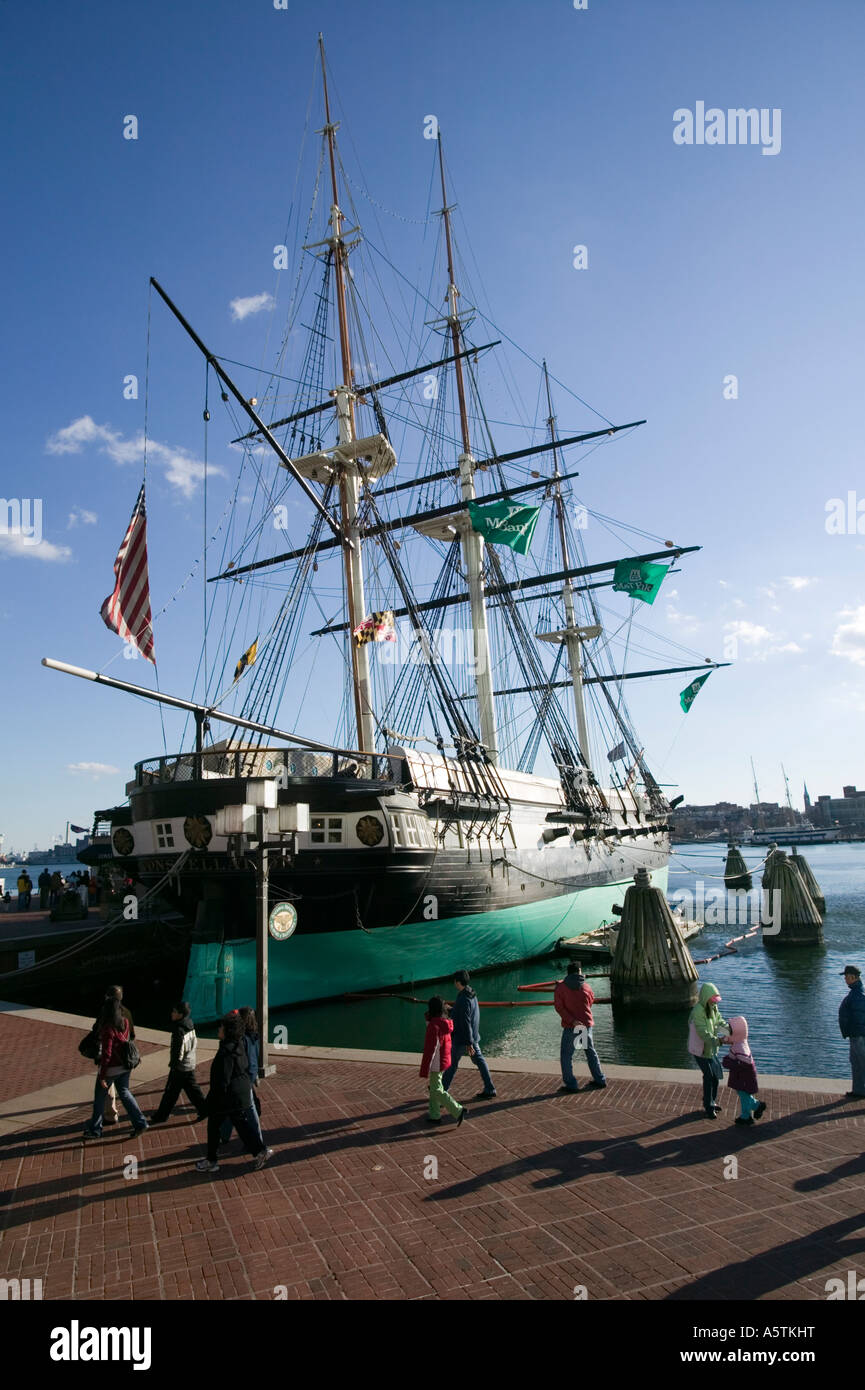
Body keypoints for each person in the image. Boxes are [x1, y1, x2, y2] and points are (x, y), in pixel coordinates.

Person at [195, 1012, 272, 1174]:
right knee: (241, 1123)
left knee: (214, 1125)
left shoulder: (225, 1053)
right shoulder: (238, 1045)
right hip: (240, 1093)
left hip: (228, 1097)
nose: (219, 1029)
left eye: (221, 1027)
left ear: (227, 1030)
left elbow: (221, 1081)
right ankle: (260, 1150)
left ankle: (211, 1161)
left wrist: (209, 1102)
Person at [82, 994, 147, 1138]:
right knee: (125, 1092)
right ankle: (140, 1122)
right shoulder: (124, 1022)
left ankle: (95, 1129)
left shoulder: (107, 1029)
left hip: (111, 1069)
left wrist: (103, 1075)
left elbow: (107, 1054)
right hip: (126, 1065)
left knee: (99, 1098)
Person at [441, 970, 497, 1100]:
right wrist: (451, 1010)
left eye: (454, 980)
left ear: (458, 982)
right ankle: (489, 1088)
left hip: (463, 1038)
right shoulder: (471, 993)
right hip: (472, 1036)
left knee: (452, 1063)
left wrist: (468, 1043)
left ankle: (442, 1089)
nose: (454, 983)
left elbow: (465, 1021)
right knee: (479, 1060)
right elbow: (467, 1015)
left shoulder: (463, 998)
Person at [150, 1001, 208, 1124]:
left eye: (174, 1012)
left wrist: (174, 1065)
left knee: (171, 1092)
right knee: (191, 1090)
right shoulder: (190, 1024)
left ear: (180, 1014)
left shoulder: (178, 1030)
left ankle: (161, 1116)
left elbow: (178, 1051)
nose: (172, 1014)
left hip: (180, 1067)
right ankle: (204, 1109)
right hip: (189, 1063)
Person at [553, 962, 606, 1093]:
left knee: (566, 1055)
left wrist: (572, 1020)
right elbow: (590, 1001)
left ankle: (571, 1084)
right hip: (585, 1026)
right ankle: (600, 1079)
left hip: (572, 1026)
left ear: (568, 972)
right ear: (579, 971)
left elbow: (559, 1008)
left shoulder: (561, 988)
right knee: (590, 1052)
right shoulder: (586, 987)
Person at [419, 996, 468, 1126]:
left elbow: (430, 1049)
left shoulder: (434, 1026)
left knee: (435, 1090)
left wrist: (425, 1068)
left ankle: (458, 1110)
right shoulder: (444, 1022)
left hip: (436, 1062)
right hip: (444, 1060)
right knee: (437, 1087)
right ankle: (434, 1115)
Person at [219, 1006, 263, 1147]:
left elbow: (240, 1059)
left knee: (240, 1109)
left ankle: (253, 1141)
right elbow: (255, 1056)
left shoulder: (241, 1039)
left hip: (242, 1077)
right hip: (250, 1074)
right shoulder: (255, 1035)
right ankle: (254, 1139)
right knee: (245, 1109)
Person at [688, 981, 729, 1118]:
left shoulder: (713, 1007)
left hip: (710, 1049)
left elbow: (719, 1021)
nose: (715, 1003)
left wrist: (729, 1030)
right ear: (706, 998)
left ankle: (711, 1100)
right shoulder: (698, 1012)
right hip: (700, 1050)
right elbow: (703, 1033)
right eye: (713, 1000)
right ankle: (708, 1105)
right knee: (709, 1076)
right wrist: (719, 1041)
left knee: (716, 1075)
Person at [721, 1016, 766, 1126]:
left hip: (743, 1077)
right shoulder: (741, 1042)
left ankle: (748, 1114)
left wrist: (727, 1062)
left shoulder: (738, 1047)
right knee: (743, 1094)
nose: (728, 1032)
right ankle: (753, 1109)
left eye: (730, 1030)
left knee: (743, 1094)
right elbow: (729, 1039)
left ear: (735, 1033)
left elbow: (744, 1063)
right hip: (743, 1077)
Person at [838, 965, 865, 1099]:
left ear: (852, 977)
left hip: (858, 1035)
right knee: (856, 1062)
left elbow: (859, 1017)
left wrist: (855, 1032)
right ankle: (859, 1090)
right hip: (856, 1034)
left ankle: (860, 1091)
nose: (844, 979)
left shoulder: (857, 994)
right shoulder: (857, 992)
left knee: (860, 1062)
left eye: (846, 976)